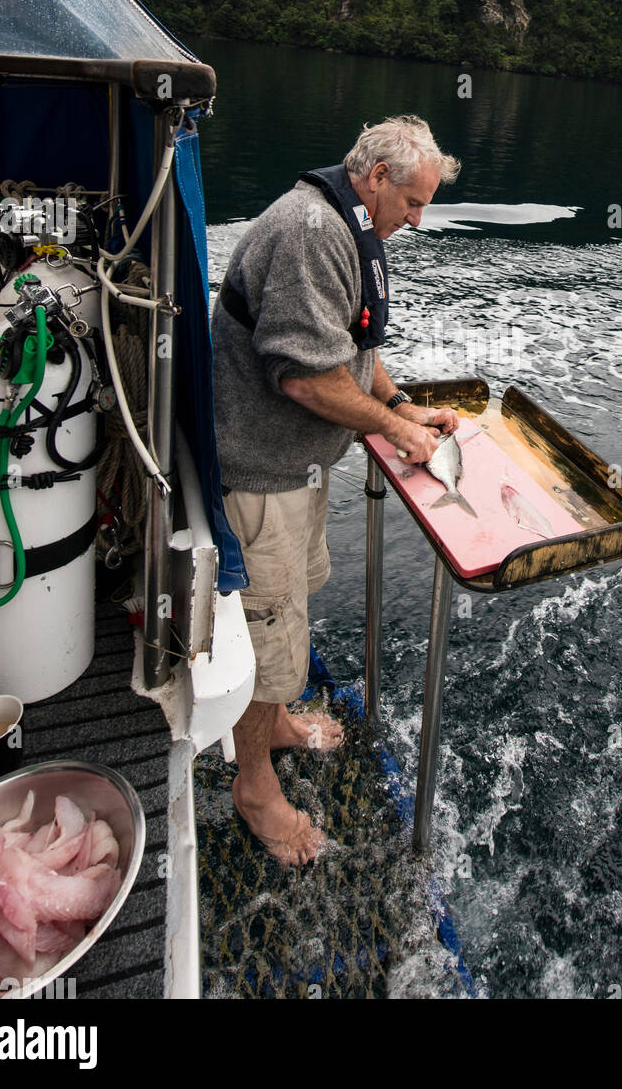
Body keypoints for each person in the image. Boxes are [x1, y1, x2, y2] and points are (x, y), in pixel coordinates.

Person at [211, 115, 461, 864]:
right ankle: (253, 787)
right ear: (377, 177)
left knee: (292, 609)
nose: (418, 219)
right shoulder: (311, 233)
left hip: (302, 470)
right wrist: (401, 434)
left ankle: (278, 720)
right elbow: (305, 378)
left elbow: (352, 350)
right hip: (260, 476)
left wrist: (402, 408)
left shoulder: (356, 229)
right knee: (264, 639)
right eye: (413, 202)